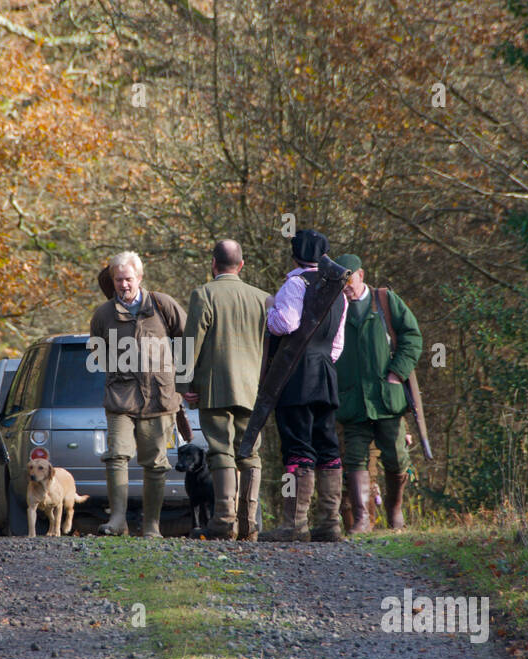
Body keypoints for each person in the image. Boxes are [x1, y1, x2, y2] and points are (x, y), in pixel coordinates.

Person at [89, 251, 187, 537]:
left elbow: (189, 341)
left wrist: (183, 386)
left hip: (160, 398)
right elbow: (98, 353)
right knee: (117, 455)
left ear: (140, 278)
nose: (123, 285)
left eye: (128, 279)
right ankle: (118, 520)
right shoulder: (103, 314)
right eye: (118, 280)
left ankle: (151, 526)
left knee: (156, 464)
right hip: (120, 399)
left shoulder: (163, 305)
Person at [178, 239, 271, 539]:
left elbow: (191, 343)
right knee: (250, 453)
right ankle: (249, 524)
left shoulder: (203, 294)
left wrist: (184, 384)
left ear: (213, 264)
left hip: (215, 388)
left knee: (220, 451)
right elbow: (270, 347)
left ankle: (224, 520)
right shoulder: (263, 299)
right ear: (241, 265)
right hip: (252, 388)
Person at [260, 229, 347, 542]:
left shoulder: (294, 284)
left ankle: (294, 525)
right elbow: (337, 343)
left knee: (297, 449)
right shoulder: (338, 289)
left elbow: (286, 324)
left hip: (296, 376)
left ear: (294, 255)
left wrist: (270, 307)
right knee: (327, 447)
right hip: (326, 375)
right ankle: (329, 523)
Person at [334, 253, 422, 531]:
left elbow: (412, 336)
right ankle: (361, 519)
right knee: (354, 458)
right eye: (342, 283)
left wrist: (398, 371)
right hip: (352, 400)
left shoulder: (384, 301)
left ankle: (395, 512)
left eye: (350, 280)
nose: (346, 287)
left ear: (362, 275)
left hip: (387, 398)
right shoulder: (335, 308)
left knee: (396, 456)